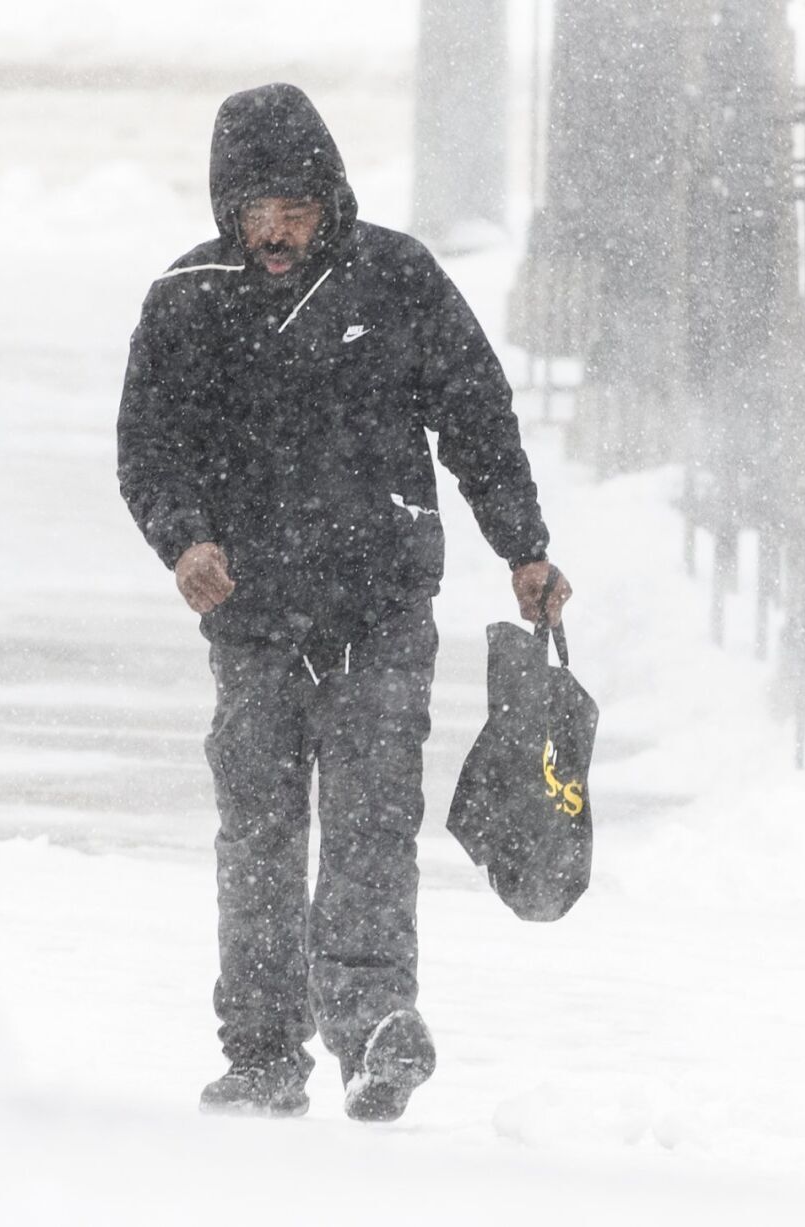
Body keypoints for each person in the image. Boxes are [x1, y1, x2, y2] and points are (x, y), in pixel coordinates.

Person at [117, 82, 572, 1122]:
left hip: (379, 608)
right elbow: (148, 448)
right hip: (253, 621)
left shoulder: (396, 281)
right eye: (256, 213)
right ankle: (264, 1049)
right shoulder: (187, 302)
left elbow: (475, 414)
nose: (276, 233)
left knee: (372, 825)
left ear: (330, 199)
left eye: (296, 210)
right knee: (262, 832)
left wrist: (524, 548)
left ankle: (372, 1032)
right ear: (228, 211)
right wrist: (184, 541)